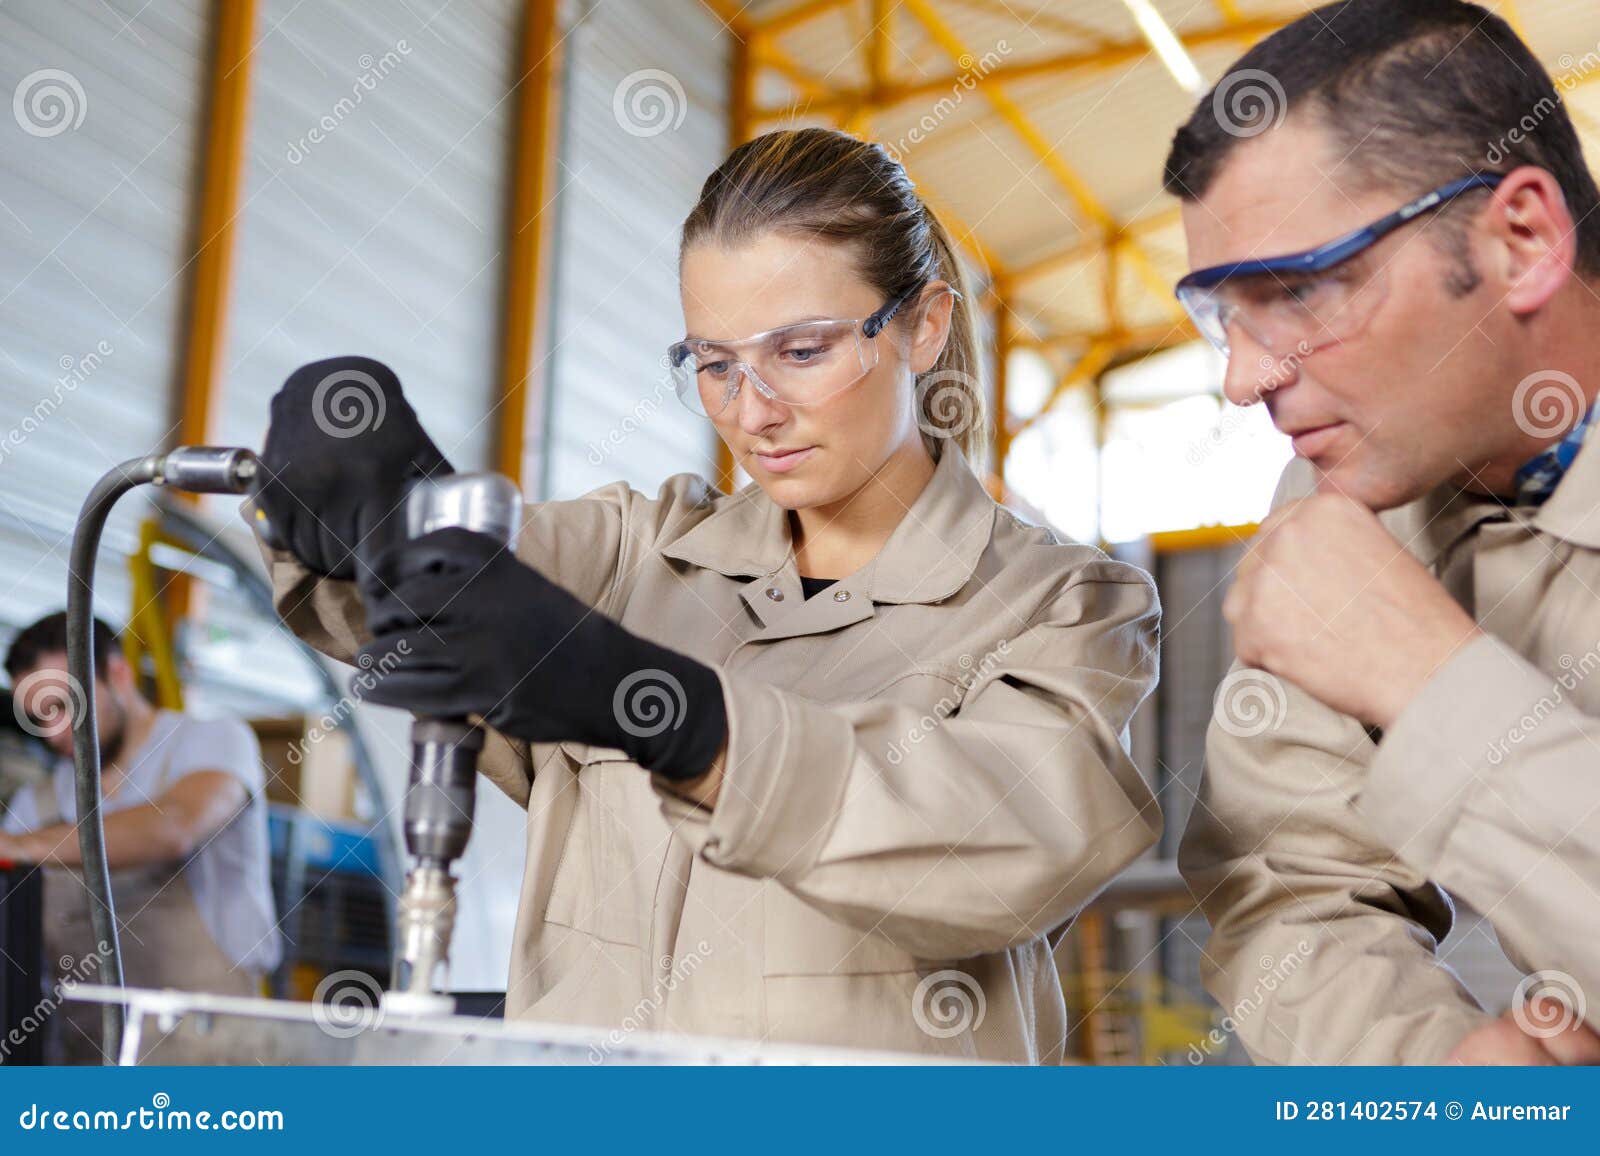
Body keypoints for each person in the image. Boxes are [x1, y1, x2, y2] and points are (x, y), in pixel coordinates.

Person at [254, 127, 1162, 1063]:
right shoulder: (636, 554)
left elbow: (1013, 848)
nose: (752, 413)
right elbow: (417, 593)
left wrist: (686, 725)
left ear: (923, 325)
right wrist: (360, 499)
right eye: (714, 365)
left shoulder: (1061, 602)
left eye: (801, 351)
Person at [1166, 0, 1600, 1064]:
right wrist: (1433, 1079)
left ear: (1523, 239)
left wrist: (1426, 681)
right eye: (1223, 312)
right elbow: (1292, 886)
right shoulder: (1337, 506)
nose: (1241, 378)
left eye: (1303, 288)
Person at [1, 612, 281, 1063]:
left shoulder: (211, 741)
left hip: (217, 1065)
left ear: (118, 673)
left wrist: (17, 846)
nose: (53, 734)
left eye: (62, 708)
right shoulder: (37, 804)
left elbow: (174, 827)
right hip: (93, 1071)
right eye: (38, 718)